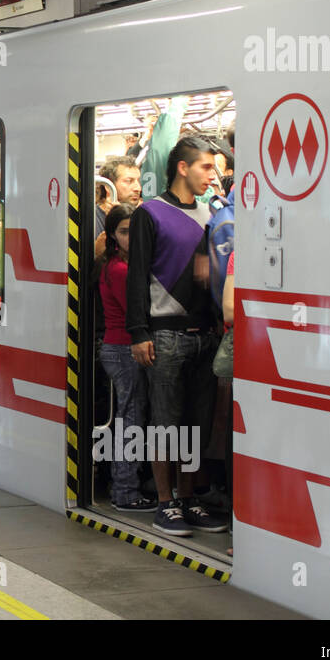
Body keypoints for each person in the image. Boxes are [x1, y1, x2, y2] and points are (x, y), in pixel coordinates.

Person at [126, 136, 228, 537]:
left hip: (206, 334)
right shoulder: (150, 213)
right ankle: (166, 503)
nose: (213, 175)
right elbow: (138, 275)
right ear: (183, 168)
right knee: (167, 422)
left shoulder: (212, 213)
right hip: (164, 333)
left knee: (196, 423)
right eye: (205, 167)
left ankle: (189, 498)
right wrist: (139, 332)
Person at [95, 204, 156, 512]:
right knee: (130, 419)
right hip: (123, 349)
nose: (131, 237)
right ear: (112, 236)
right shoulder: (120, 270)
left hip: (116, 348)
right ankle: (125, 492)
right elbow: (137, 310)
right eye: (123, 231)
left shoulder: (115, 265)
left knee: (128, 417)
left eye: (135, 231)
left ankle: (125, 486)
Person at [94, 155, 142, 259]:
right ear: (108, 186)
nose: (138, 188)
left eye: (138, 181)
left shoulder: (140, 216)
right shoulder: (93, 219)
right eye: (129, 181)